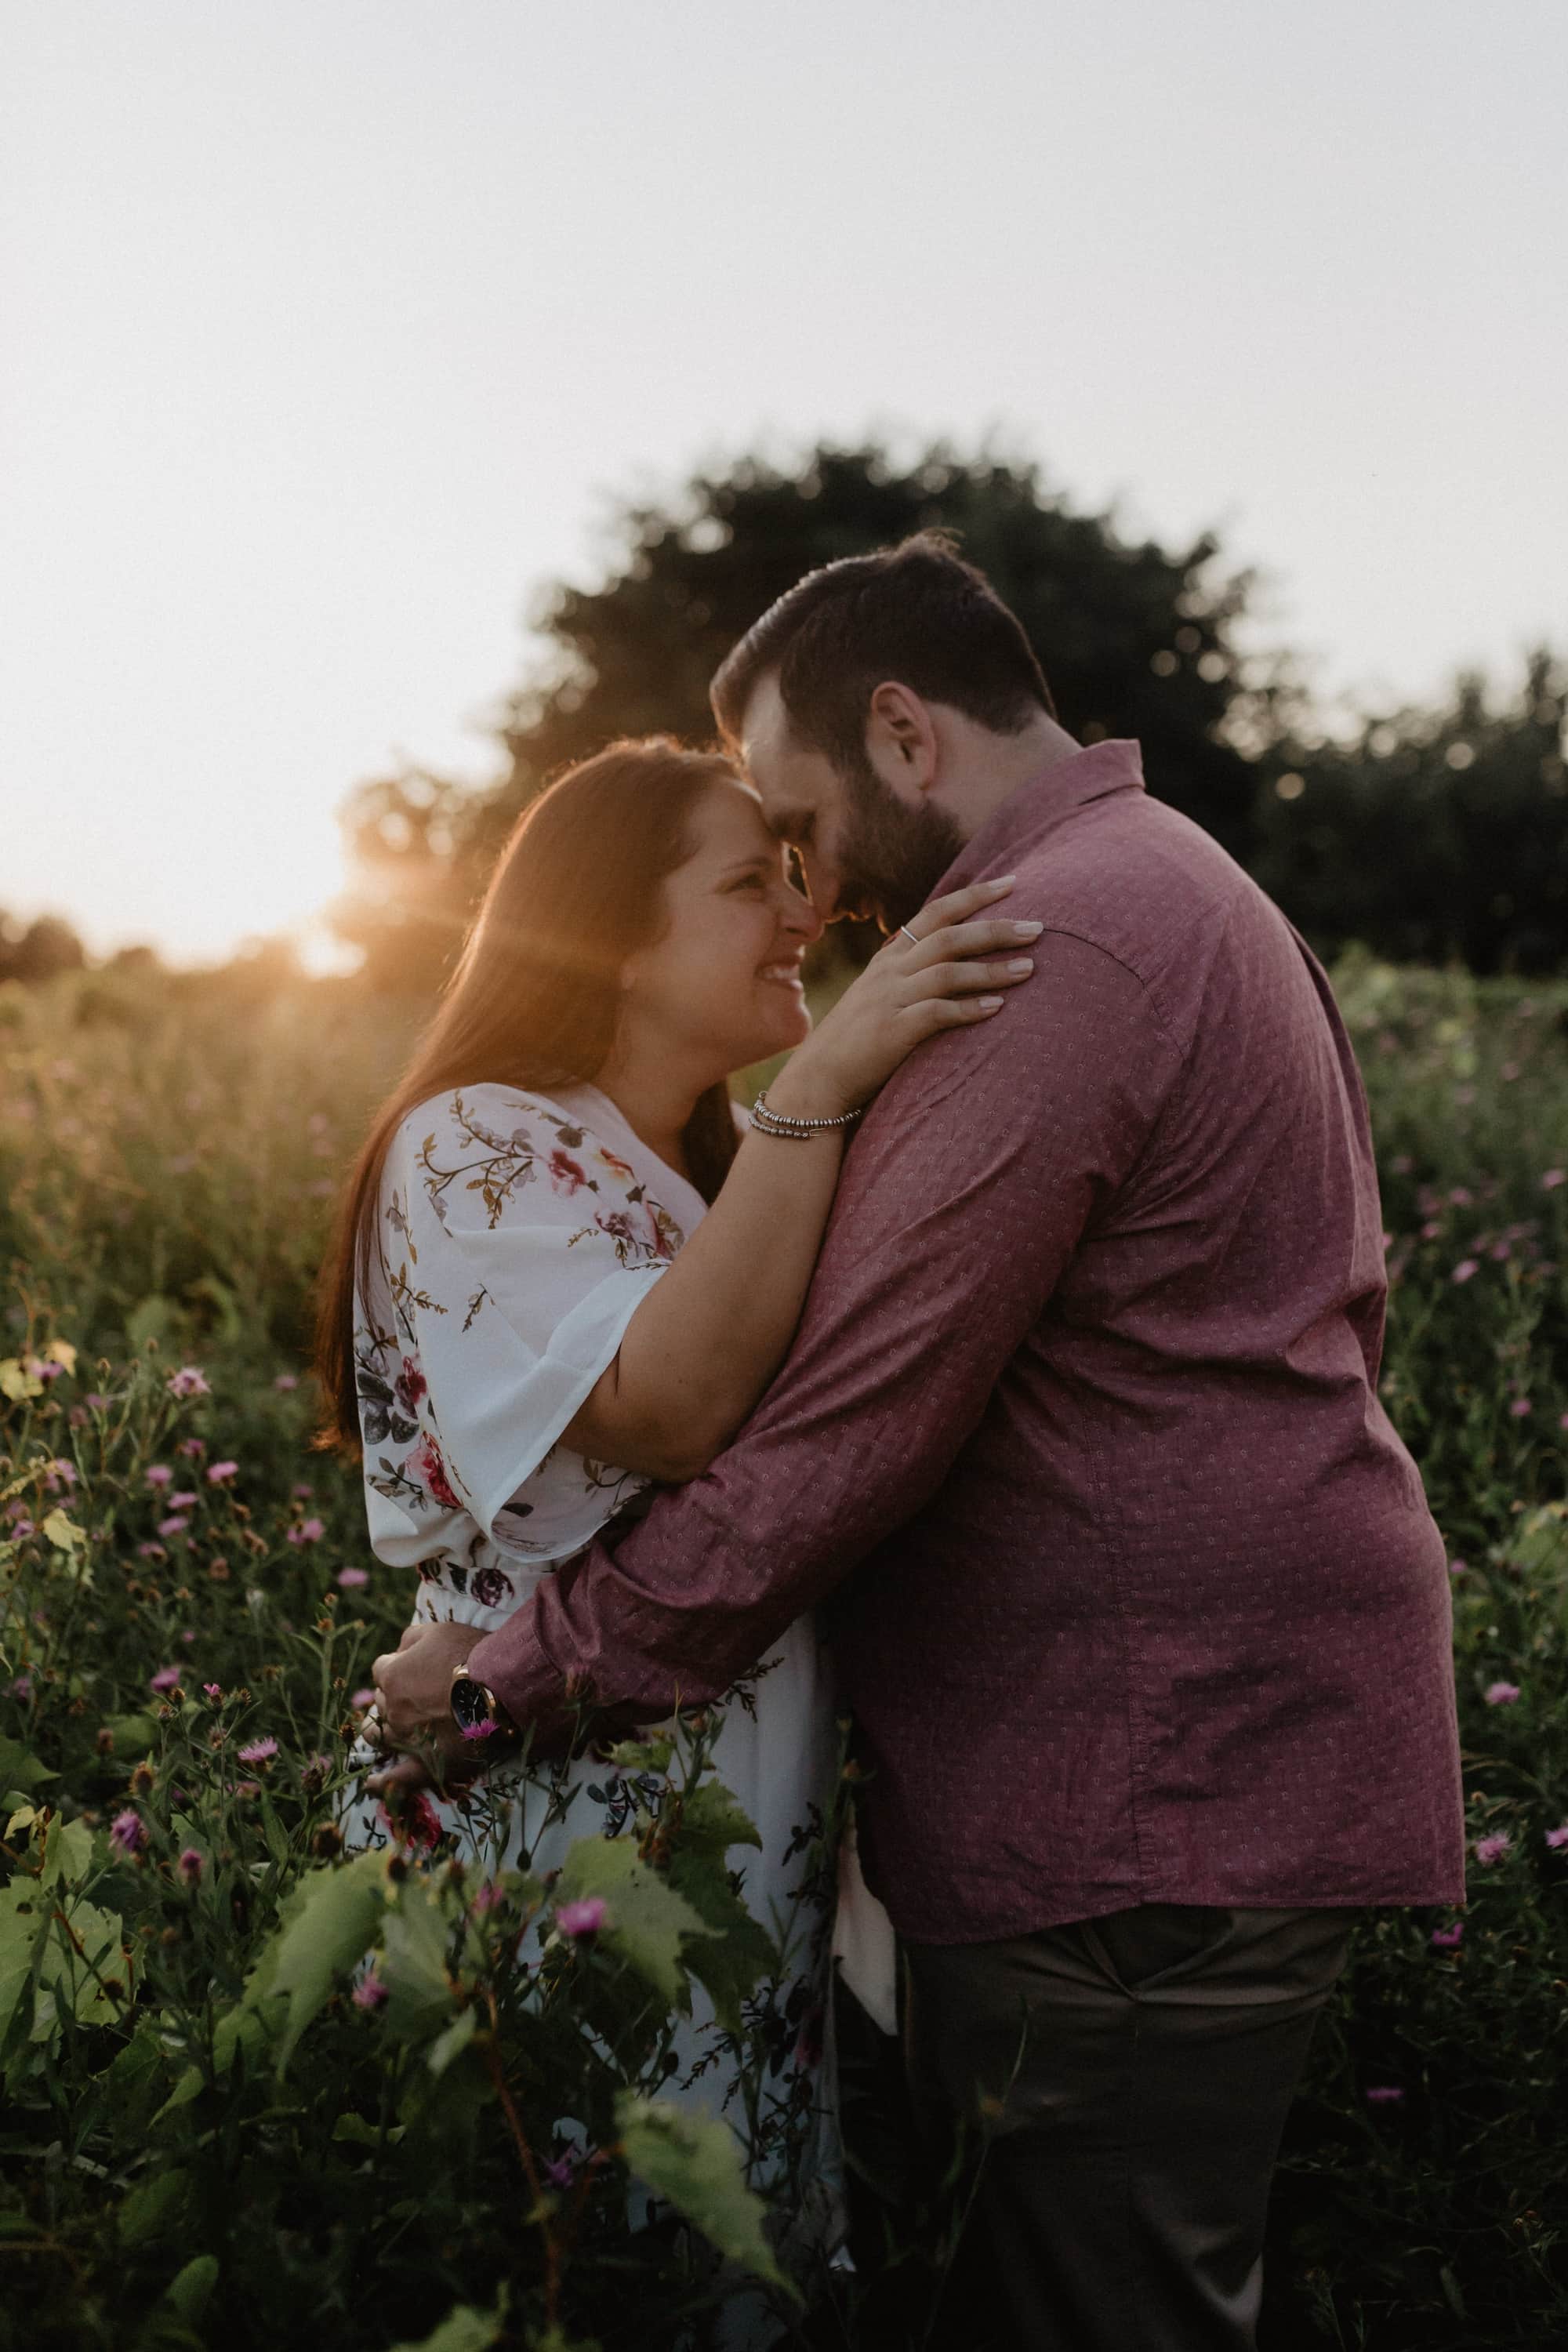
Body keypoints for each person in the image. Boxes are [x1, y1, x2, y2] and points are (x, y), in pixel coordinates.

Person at [371, 536, 1467, 2351]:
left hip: (1140, 1785)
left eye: (798, 825)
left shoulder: (1047, 948)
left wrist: (514, 1684)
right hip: (1178, 1758)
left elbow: (845, 1434)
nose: (809, 890)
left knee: (1100, 2312)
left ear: (901, 733)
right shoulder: (1169, 885)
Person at [315, 735, 1036, 2282]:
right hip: (556, 1802)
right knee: (587, 2250)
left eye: (794, 873)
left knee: (729, 2240)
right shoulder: (482, 1142)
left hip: (720, 1814)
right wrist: (826, 1077)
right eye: (745, 880)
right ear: (610, 937)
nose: (800, 909)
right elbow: (672, 1406)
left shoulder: (699, 1180)